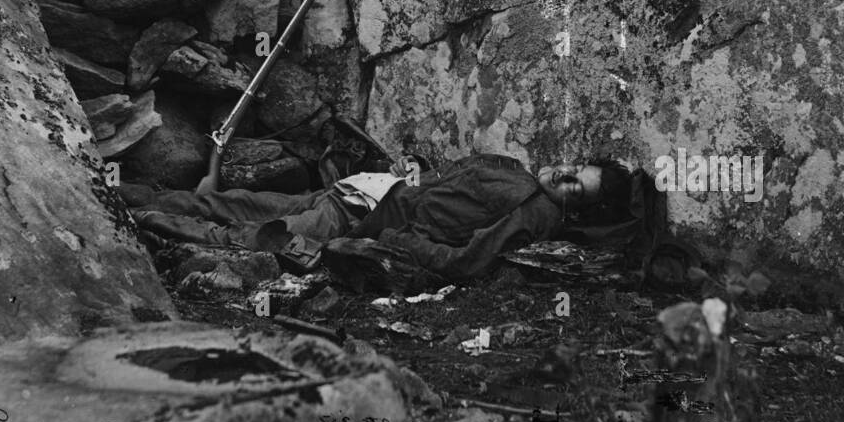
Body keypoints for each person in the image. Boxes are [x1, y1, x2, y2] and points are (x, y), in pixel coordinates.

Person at [122, 145, 637, 285]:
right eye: (576, 168)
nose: (564, 175)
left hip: (355, 223)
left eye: (575, 188)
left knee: (239, 234)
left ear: (572, 210)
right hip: (358, 192)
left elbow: (468, 262)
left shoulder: (535, 210)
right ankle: (111, 187)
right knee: (226, 201)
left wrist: (407, 244)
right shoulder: (516, 170)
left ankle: (132, 216)